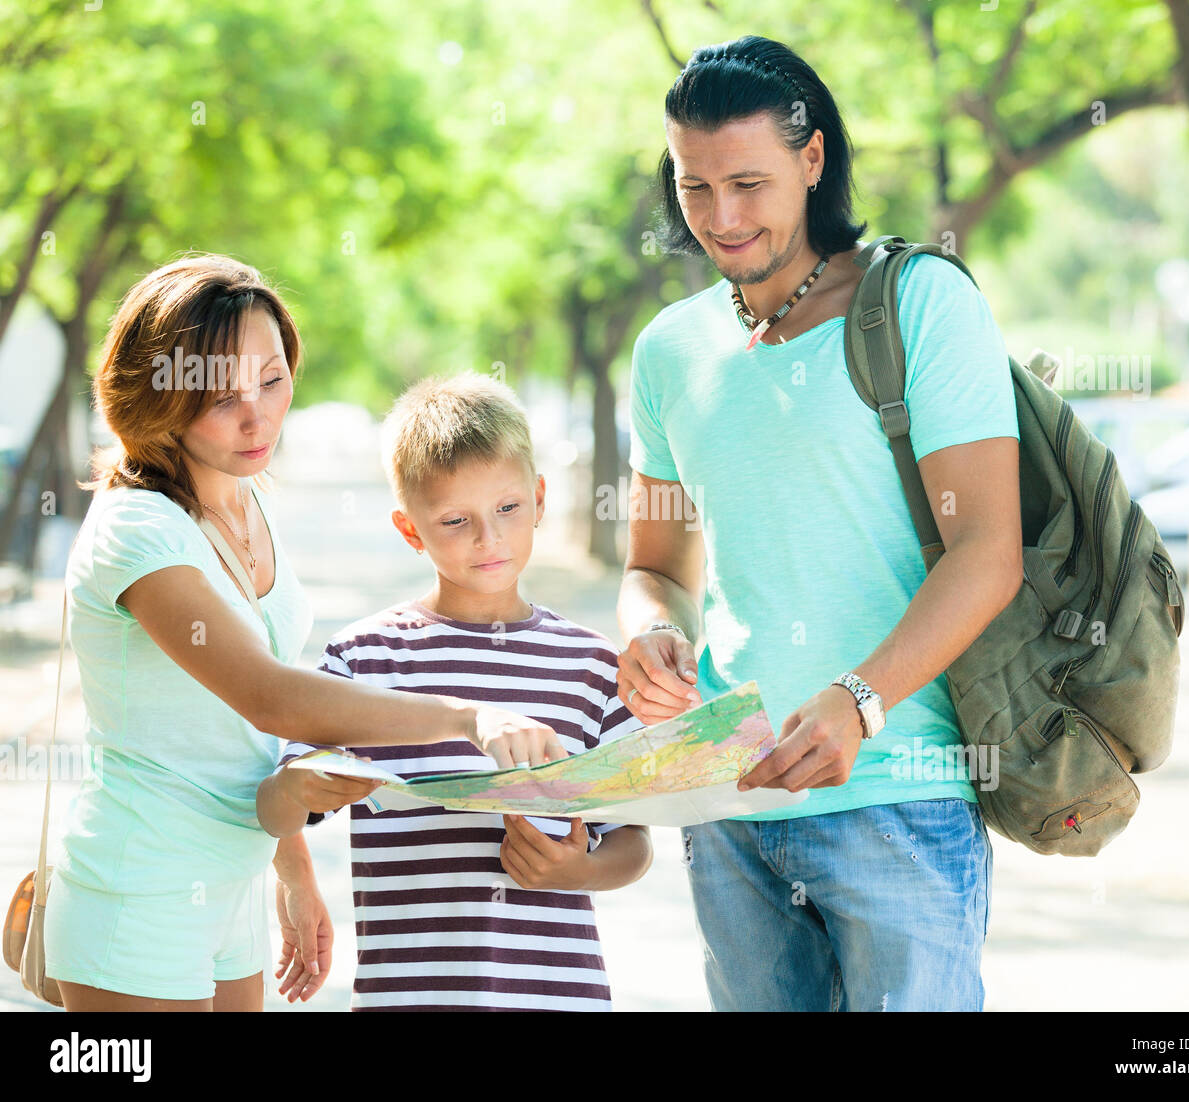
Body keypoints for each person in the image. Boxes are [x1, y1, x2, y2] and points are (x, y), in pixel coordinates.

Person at [615, 35, 1023, 1011]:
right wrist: (648, 629)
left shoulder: (920, 302)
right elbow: (654, 562)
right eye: (694, 187)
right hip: (730, 799)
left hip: (899, 792)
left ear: (812, 161)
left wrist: (857, 701)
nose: (721, 216)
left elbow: (987, 551)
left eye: (748, 183)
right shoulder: (670, 351)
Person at [43, 255, 568, 1012]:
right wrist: (467, 717)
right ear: (161, 398)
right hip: (141, 888)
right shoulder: (137, 528)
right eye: (222, 397)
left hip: (235, 884)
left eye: (272, 379)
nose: (258, 416)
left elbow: (250, 737)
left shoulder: (247, 498)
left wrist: (294, 873)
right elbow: (269, 697)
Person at [259, 372, 653, 1011]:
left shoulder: (592, 665)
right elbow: (277, 811)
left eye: (507, 508)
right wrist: (299, 788)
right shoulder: (364, 660)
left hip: (557, 996)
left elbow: (634, 839)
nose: (489, 539)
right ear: (410, 529)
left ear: (540, 498)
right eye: (454, 520)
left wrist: (580, 872)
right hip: (407, 996)